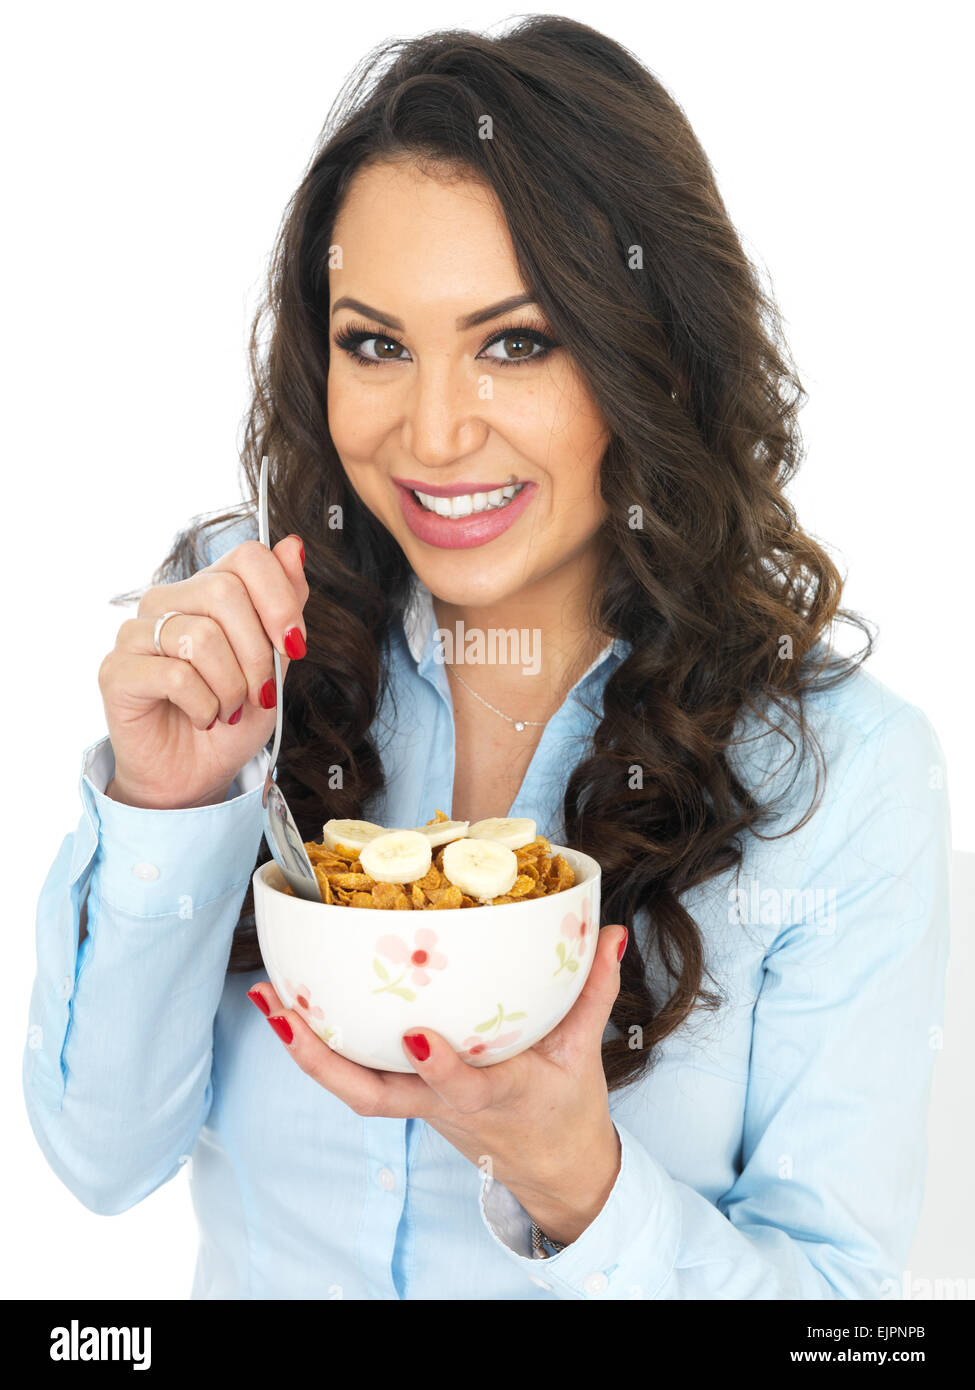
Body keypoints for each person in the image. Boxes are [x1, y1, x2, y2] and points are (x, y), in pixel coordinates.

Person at [23, 17, 950, 1300]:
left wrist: (578, 1182)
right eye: (377, 344)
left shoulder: (843, 778)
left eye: (516, 341)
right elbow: (101, 1159)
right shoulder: (246, 640)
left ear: (655, 355)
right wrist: (168, 806)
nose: (435, 432)